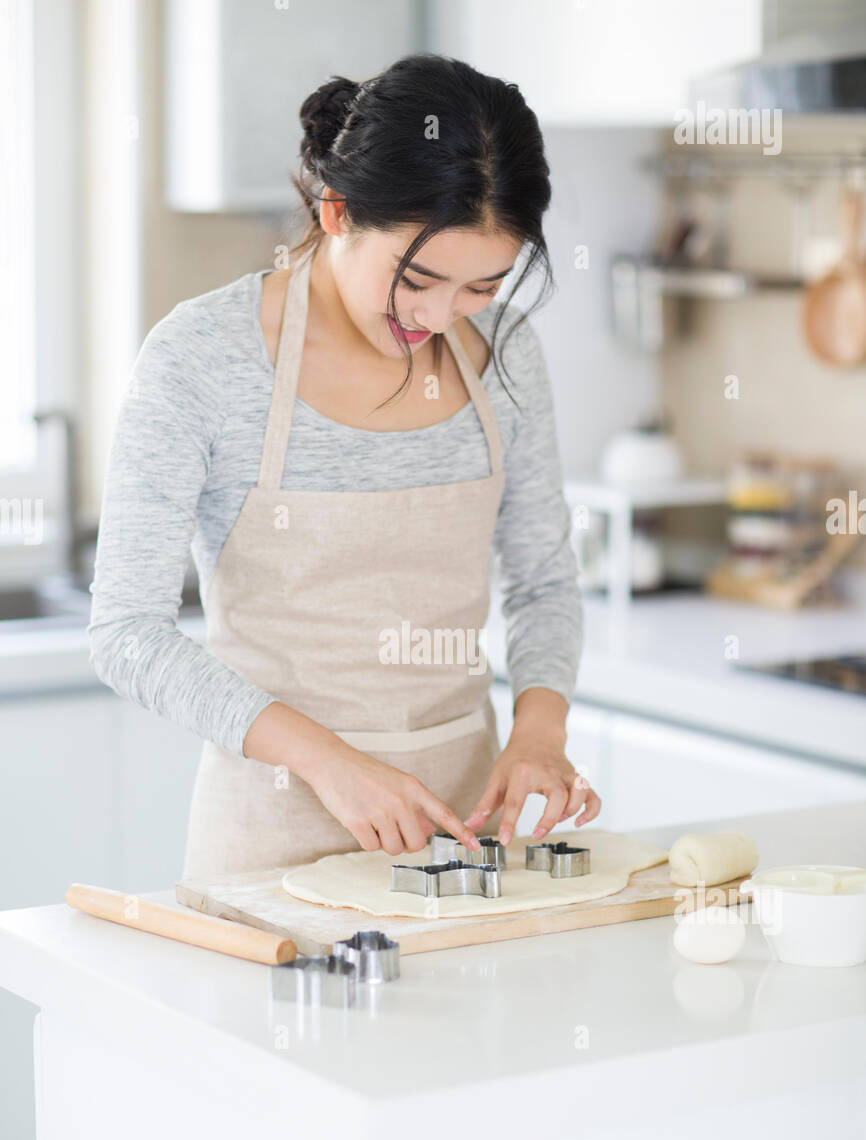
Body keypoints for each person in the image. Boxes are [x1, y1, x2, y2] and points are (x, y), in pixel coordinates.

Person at [89, 54, 600, 879]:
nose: (437, 318)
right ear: (335, 213)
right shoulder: (202, 357)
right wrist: (331, 764)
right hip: (270, 837)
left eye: (482, 286)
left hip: (464, 846)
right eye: (417, 279)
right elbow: (127, 634)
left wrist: (540, 734)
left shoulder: (505, 351)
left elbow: (542, 578)